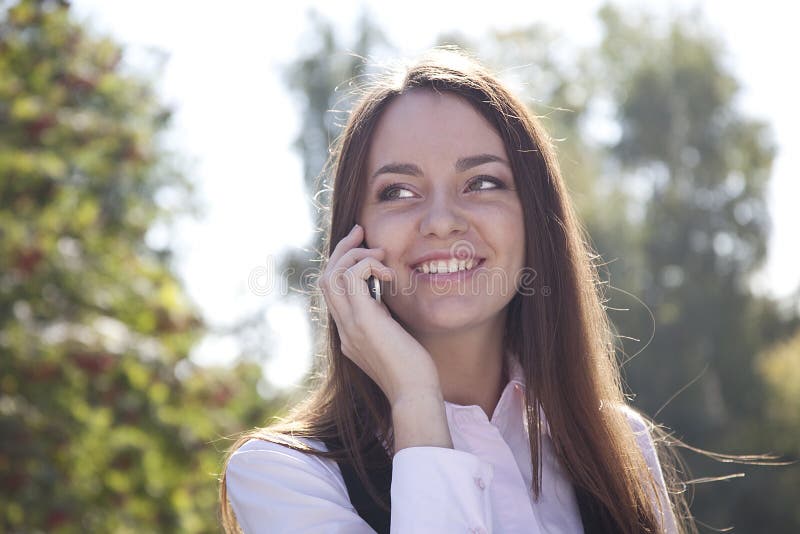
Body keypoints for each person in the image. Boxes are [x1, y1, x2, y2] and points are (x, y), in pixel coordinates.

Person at [219, 47, 691, 533]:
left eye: (482, 182)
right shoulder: (285, 476)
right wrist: (414, 399)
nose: (442, 222)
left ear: (535, 219)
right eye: (398, 191)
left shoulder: (618, 448)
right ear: (353, 238)